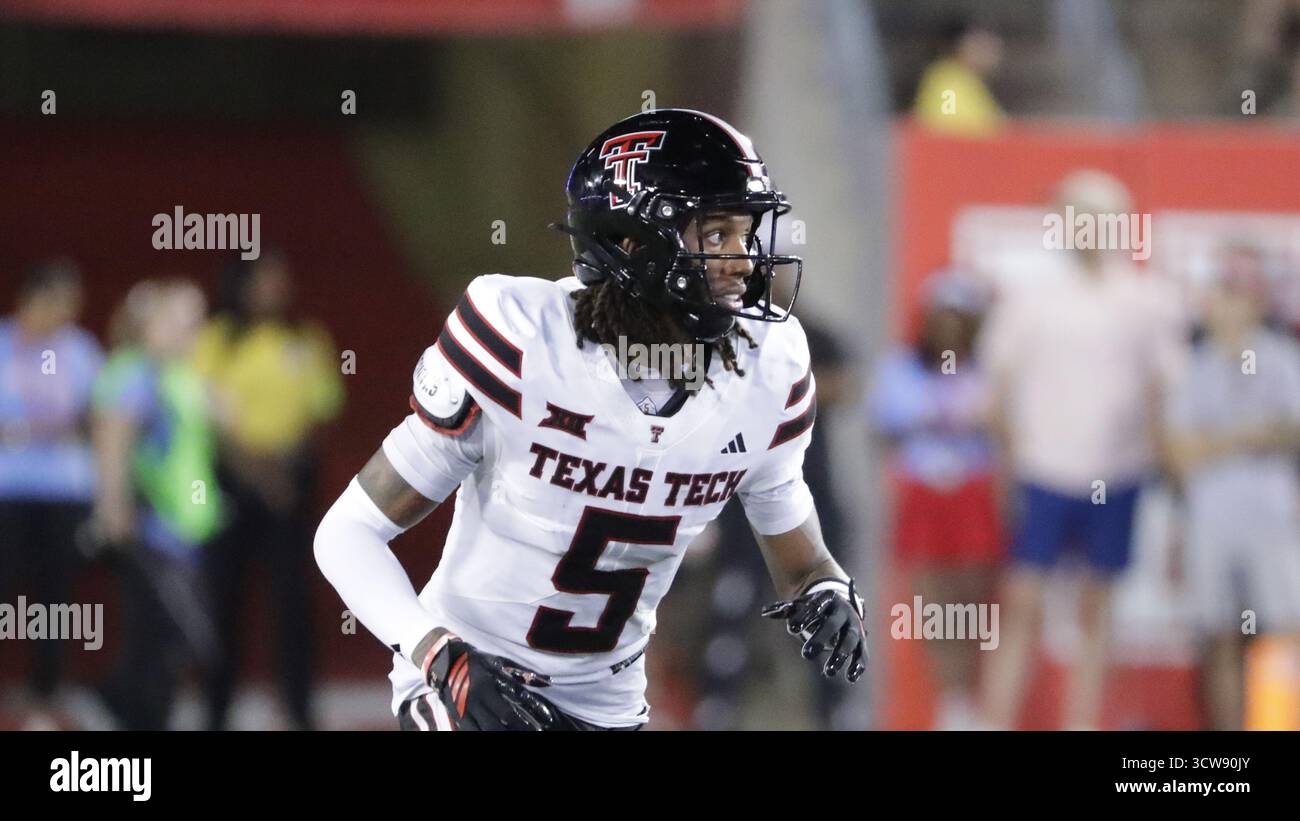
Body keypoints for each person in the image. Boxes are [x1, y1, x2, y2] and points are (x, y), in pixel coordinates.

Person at [314, 109, 868, 731]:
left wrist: (826, 591)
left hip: (608, 705)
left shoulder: (767, 368)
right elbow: (347, 534)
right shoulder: (523, 343)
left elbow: (802, 558)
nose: (742, 261)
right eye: (715, 236)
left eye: (745, 234)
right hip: (471, 684)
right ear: (631, 242)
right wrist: (439, 654)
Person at [977, 170, 1185, 730]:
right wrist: (1008, 471)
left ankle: (1083, 723)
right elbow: (998, 396)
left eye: (1097, 216)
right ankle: (994, 722)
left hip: (1116, 475)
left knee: (1097, 613)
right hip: (1041, 473)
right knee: (1021, 604)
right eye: (1075, 216)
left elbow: (1163, 393)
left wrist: (1167, 470)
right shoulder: (1030, 300)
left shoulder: (1149, 301)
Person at [193, 252, 343, 731]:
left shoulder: (304, 339)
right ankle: (215, 710)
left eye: (282, 279)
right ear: (241, 286)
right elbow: (205, 416)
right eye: (266, 280)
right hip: (230, 484)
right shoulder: (215, 340)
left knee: (293, 604)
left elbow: (322, 408)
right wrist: (259, 474)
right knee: (223, 601)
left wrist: (285, 469)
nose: (278, 288)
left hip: (291, 486)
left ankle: (297, 709)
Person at [1165, 246, 1300, 730]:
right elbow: (1179, 451)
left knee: (1280, 633)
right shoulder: (1193, 364)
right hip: (1211, 518)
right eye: (1222, 294)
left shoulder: (1282, 359)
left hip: (1273, 518)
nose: (1229, 306)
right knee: (1219, 635)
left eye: (1240, 295)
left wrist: (1219, 440)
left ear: (1258, 302)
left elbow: (1292, 431)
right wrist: (1251, 435)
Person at [870, 272, 1001, 730]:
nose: (948, 328)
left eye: (957, 319)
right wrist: (949, 416)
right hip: (924, 495)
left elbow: (997, 420)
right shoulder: (902, 366)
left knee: (974, 602)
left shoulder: (989, 367)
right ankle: (951, 704)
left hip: (974, 493)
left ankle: (973, 696)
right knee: (934, 604)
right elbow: (888, 420)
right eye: (939, 318)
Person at [91, 279, 221, 730]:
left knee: (160, 640)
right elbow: (113, 439)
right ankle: (117, 704)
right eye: (182, 322)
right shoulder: (133, 374)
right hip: (150, 528)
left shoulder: (179, 376)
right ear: (150, 327)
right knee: (181, 634)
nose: (194, 331)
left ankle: (139, 715)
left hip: (184, 530)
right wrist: (114, 506)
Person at [0, 259, 102, 729]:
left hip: (65, 490)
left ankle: (46, 689)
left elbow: (102, 416)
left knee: (54, 597)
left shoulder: (79, 348)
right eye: (62, 298)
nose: (70, 309)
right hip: (9, 491)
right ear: (33, 297)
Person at [912, 17, 1005, 137]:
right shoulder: (946, 80)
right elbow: (947, 124)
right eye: (981, 44)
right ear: (960, 46)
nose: (992, 53)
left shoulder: (969, 81)